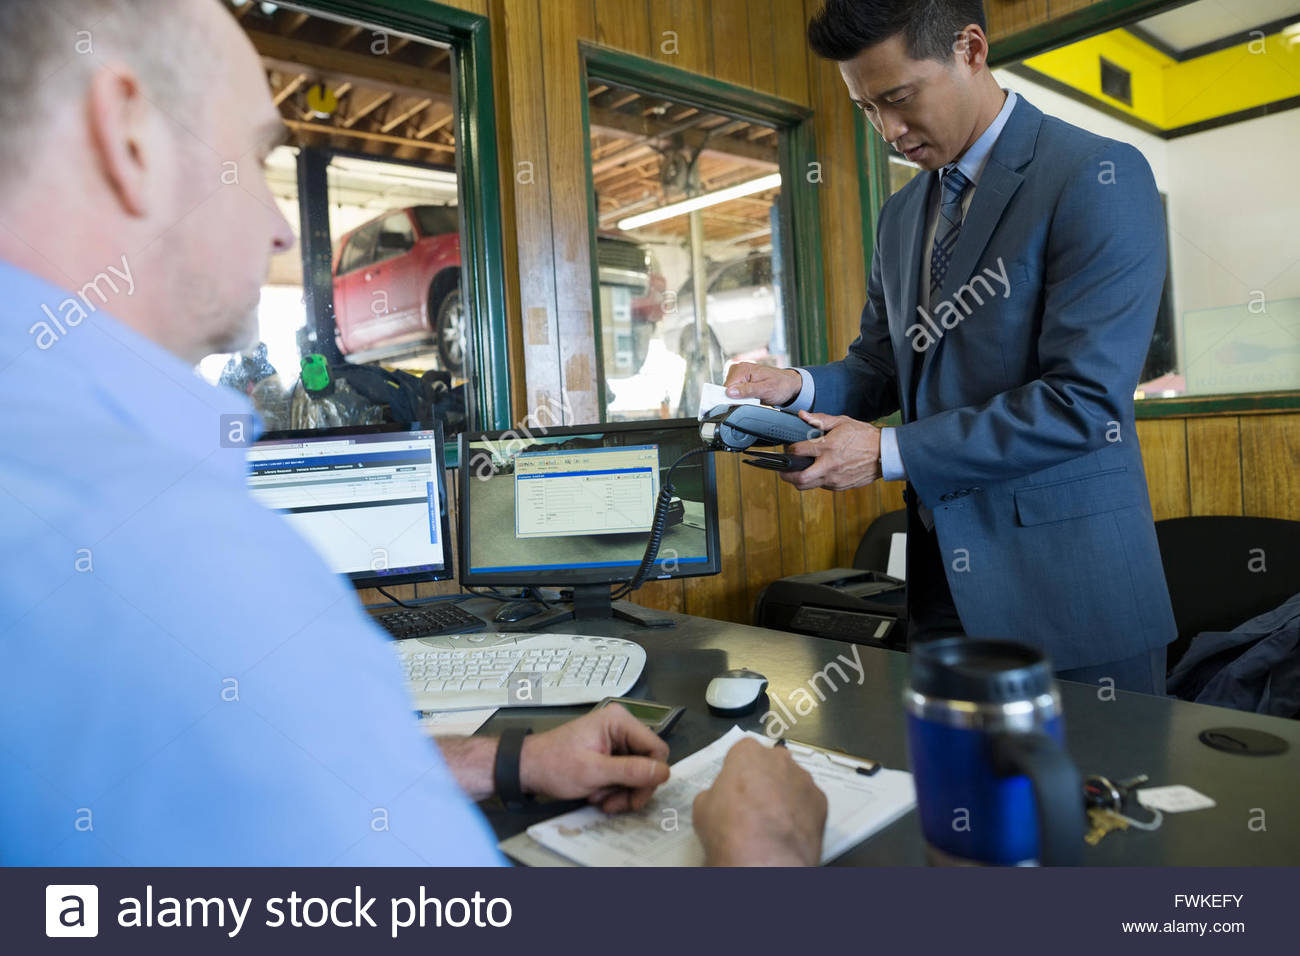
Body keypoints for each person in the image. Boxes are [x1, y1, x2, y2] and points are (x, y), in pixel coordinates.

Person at [0, 0, 826, 866]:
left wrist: (513, 757)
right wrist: (762, 859)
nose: (283, 228)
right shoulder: (166, 549)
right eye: (254, 158)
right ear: (129, 135)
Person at [726, 0, 1176, 694]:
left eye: (899, 99)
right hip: (937, 584)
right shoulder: (902, 214)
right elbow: (882, 363)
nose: (888, 131)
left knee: (1085, 803)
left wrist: (886, 453)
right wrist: (795, 387)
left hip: (1069, 597)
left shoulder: (1097, 176)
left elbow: (1083, 402)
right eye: (867, 109)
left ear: (970, 48)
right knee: (950, 794)